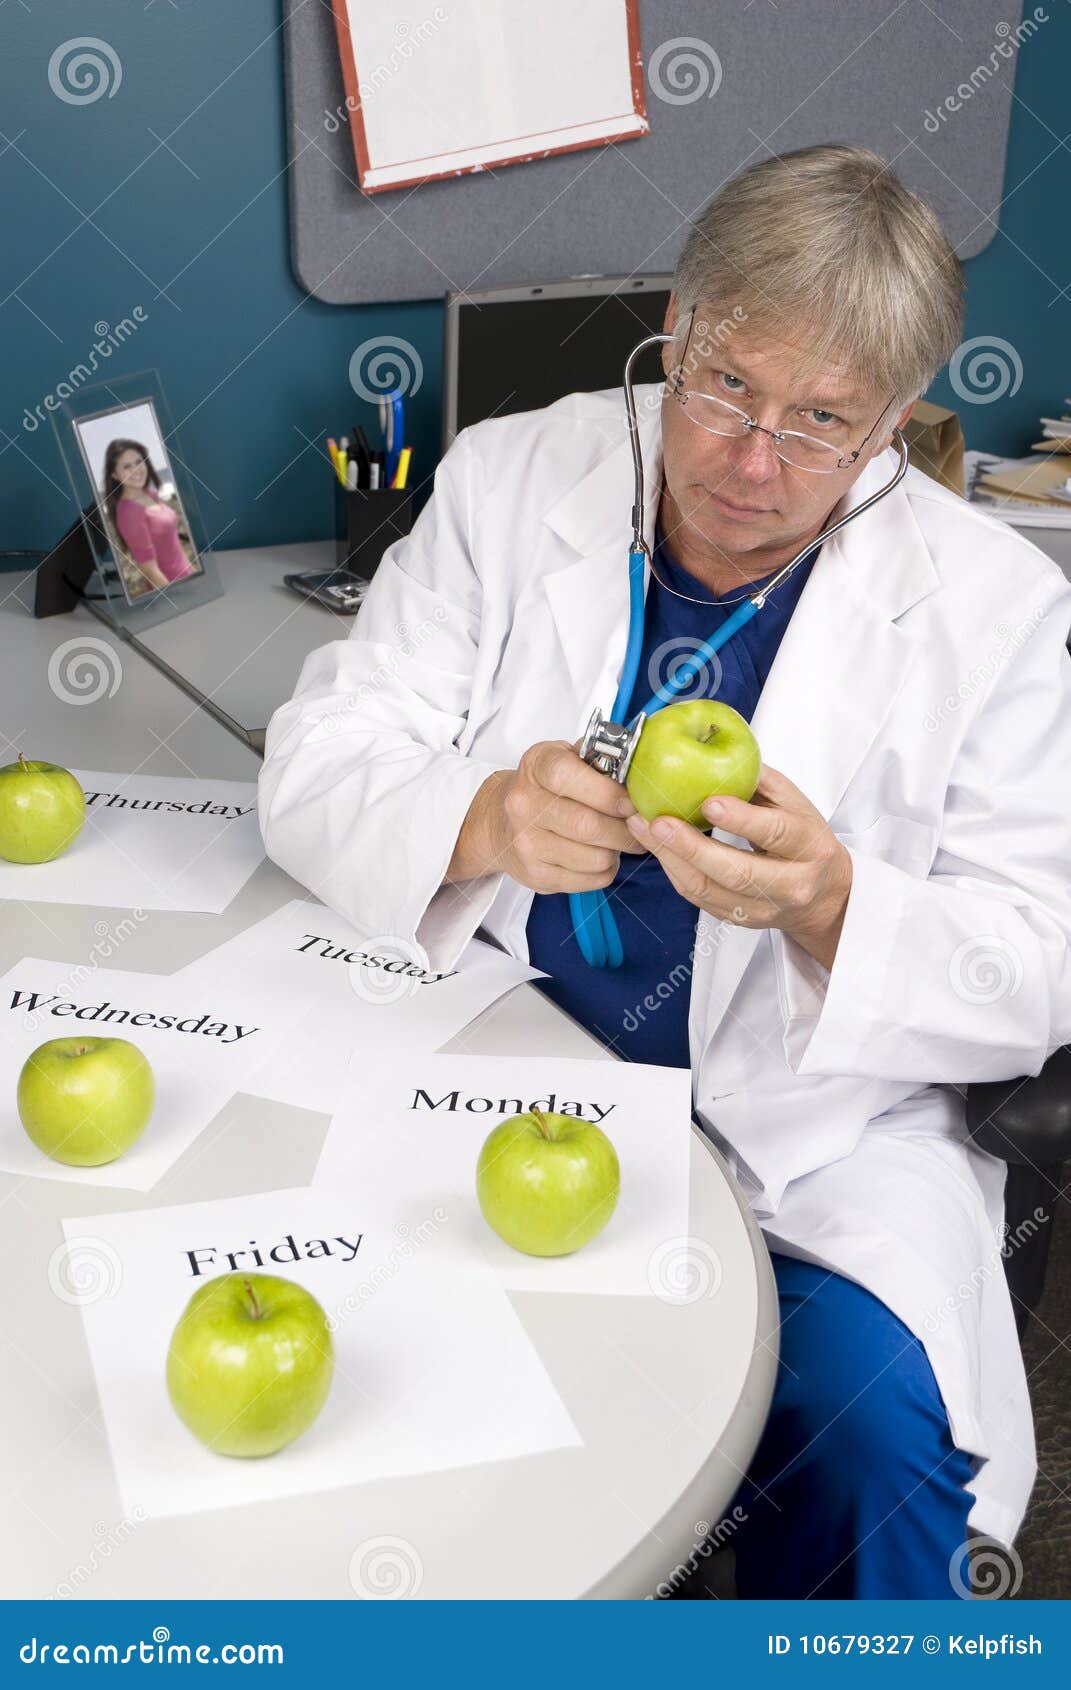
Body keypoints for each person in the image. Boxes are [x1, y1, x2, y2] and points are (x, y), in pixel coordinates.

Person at [258, 144, 1071, 1597]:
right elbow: (318, 758)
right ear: (676, 327)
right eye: (722, 386)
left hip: (802, 1156)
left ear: (891, 423)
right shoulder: (512, 476)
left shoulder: (995, 606)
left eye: (820, 422)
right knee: (371, 1411)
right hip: (498, 1081)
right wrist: (481, 821)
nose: (751, 460)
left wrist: (834, 904)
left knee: (860, 1438)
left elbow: (1035, 960)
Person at [102, 438, 194, 590]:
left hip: (186, 577)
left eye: (139, 461)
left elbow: (173, 544)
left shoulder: (149, 494)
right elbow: (150, 571)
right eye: (127, 466)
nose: (137, 470)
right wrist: (176, 598)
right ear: (114, 475)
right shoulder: (129, 513)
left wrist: (193, 573)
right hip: (171, 588)